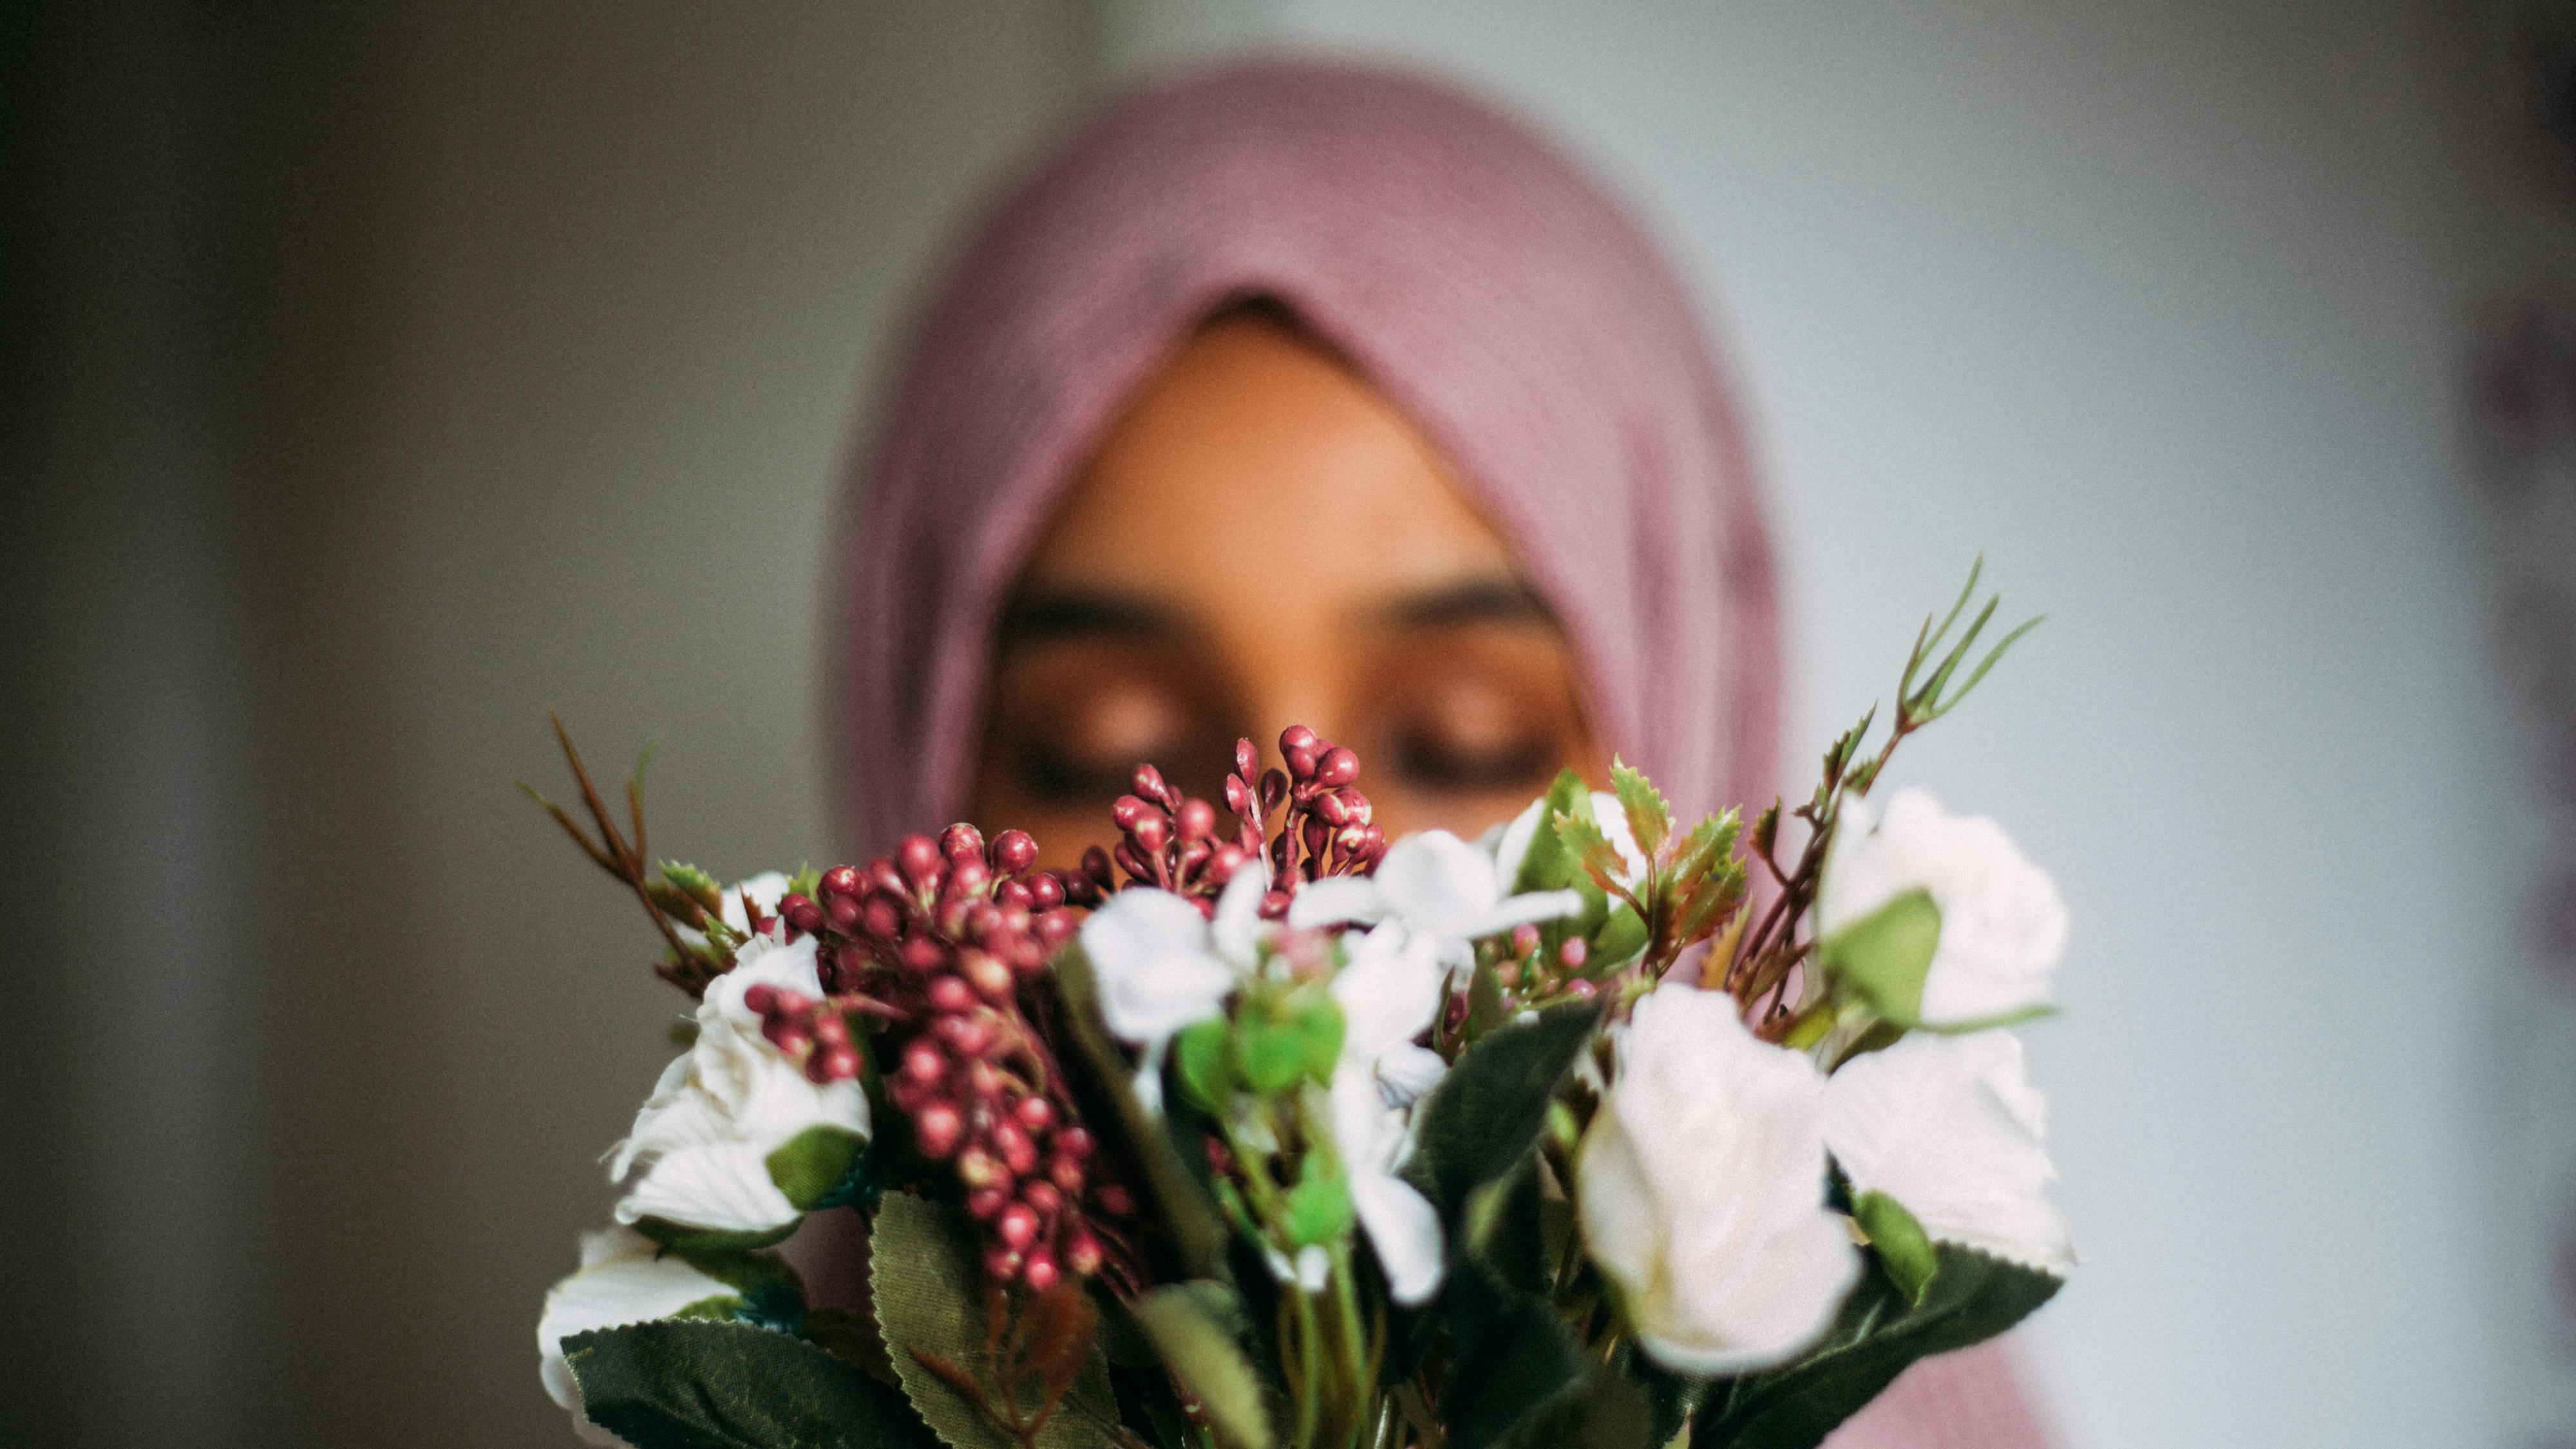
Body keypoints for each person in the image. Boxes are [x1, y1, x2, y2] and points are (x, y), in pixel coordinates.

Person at [834, 58, 2052, 1449]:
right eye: (1108, 748)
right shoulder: (772, 1363)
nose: (1284, 895)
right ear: (915, 765)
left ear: (1689, 738)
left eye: (1464, 737)